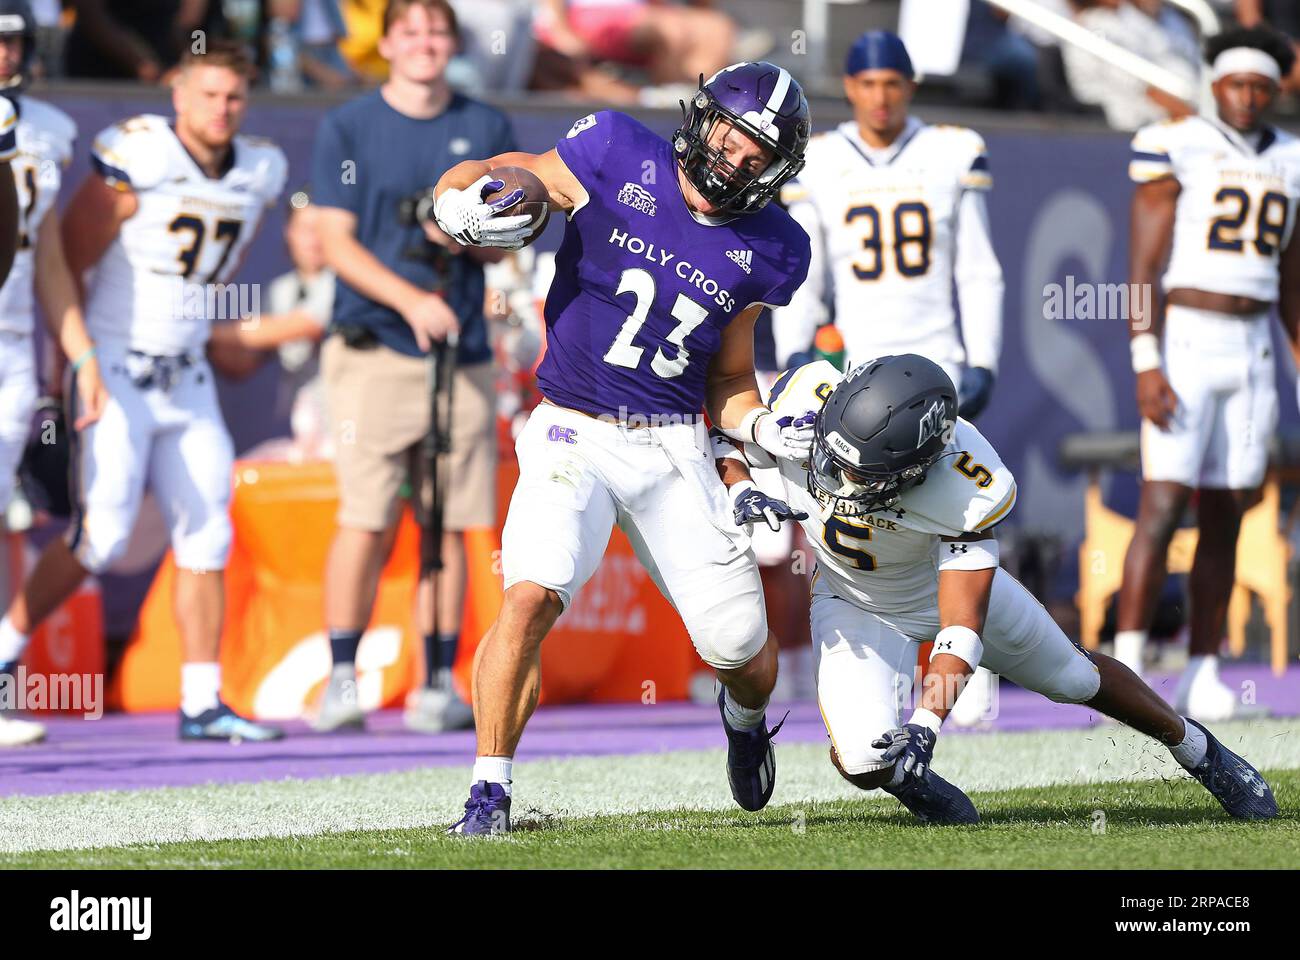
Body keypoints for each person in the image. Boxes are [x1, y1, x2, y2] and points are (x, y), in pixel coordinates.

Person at [432, 59, 813, 835]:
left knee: (745, 653)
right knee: (533, 591)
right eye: (732, 138)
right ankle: (488, 790)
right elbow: (501, 172)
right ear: (702, 118)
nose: (736, 162)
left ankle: (742, 725)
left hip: (675, 449)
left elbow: (730, 376)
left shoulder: (774, 247)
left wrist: (762, 426)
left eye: (757, 156)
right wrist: (457, 200)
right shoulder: (613, 148)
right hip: (573, 424)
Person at [714, 355, 1278, 823]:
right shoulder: (805, 399)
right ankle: (918, 786)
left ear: (916, 470)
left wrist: (925, 724)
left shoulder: (968, 488)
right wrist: (741, 486)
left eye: (861, 475)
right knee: (863, 761)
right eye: (834, 458)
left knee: (1075, 678)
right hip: (851, 600)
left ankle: (1201, 751)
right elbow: (725, 438)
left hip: (936, 588)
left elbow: (961, 629)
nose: (836, 479)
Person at [0, 40, 288, 742]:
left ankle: (201, 699)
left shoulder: (260, 169)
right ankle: (5, 653)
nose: (223, 109)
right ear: (178, 93)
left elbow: (221, 274)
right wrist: (77, 362)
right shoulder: (140, 154)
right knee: (102, 535)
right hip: (118, 367)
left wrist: (220, 332)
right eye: (210, 94)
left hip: (187, 376)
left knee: (208, 531)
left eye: (234, 96)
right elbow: (68, 252)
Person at [774, 30, 1005, 725]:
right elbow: (806, 275)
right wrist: (796, 356)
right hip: (863, 379)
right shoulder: (820, 161)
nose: (881, 96)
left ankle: (966, 660)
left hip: (936, 363)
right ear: (850, 88)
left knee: (962, 516)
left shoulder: (950, 150)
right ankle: (886, 666)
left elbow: (978, 266)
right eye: (868, 83)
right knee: (859, 521)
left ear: (910, 86)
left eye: (893, 83)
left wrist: (983, 356)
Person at [310, 0, 514, 734]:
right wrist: (408, 298)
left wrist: (466, 232)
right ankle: (341, 677)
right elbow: (333, 241)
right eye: (412, 31)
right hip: (374, 347)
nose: (426, 44)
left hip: (458, 353)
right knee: (365, 517)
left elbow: (510, 234)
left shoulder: (486, 126)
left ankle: (436, 680)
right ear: (388, 42)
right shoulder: (349, 126)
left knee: (450, 519)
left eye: (438, 31)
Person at [1115, 26, 1300, 720]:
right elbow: (1141, 269)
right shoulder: (1180, 141)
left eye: (1261, 87)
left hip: (1253, 347)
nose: (1248, 98)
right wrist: (1145, 358)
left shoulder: (1291, 155)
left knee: (1229, 512)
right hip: (1187, 338)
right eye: (1237, 85)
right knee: (1162, 505)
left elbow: (1293, 282)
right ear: (1216, 85)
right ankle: (1127, 660)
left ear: (1275, 88)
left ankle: (1204, 668)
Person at [0, 0, 103, 747]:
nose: (1, 54)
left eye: (10, 41)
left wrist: (80, 353)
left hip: (10, 343)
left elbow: (49, 262)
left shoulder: (47, 130)